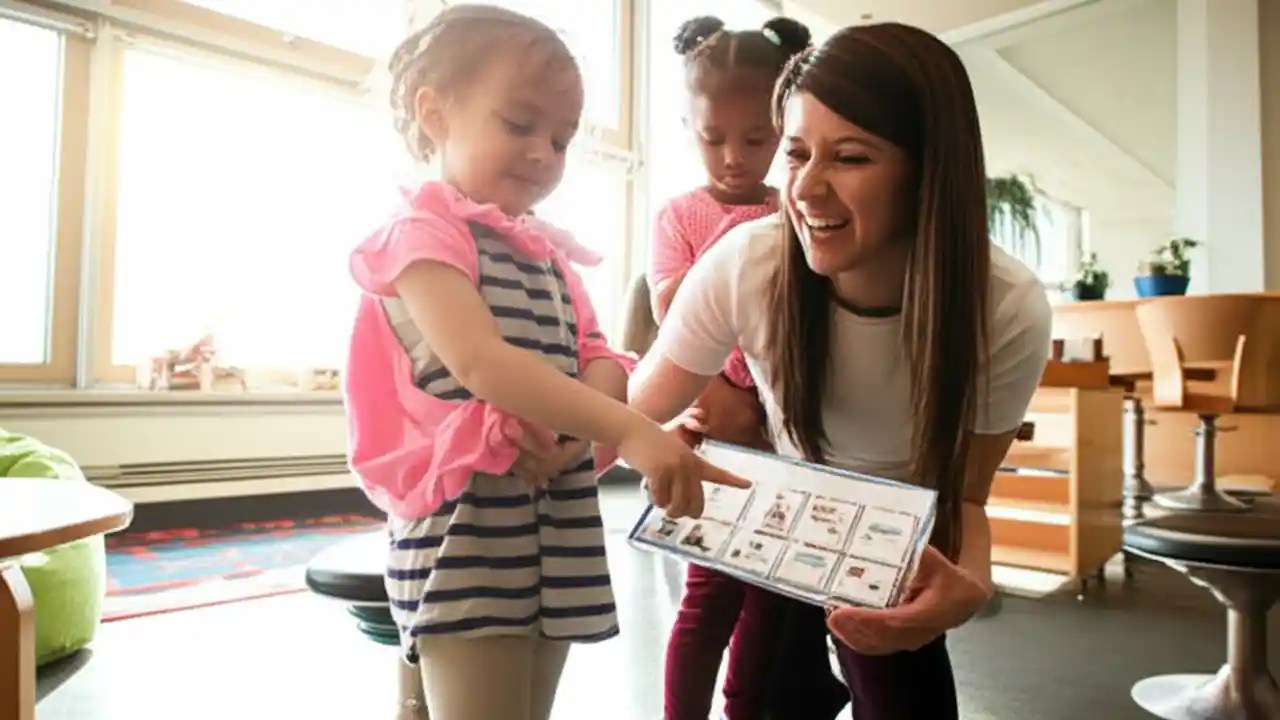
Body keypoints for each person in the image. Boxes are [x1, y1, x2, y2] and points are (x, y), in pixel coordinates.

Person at [629, 22, 1053, 720]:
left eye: (851, 157)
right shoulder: (749, 261)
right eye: (796, 154)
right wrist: (653, 435)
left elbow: (966, 496)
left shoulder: (1003, 307)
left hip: (899, 536)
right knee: (760, 697)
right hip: (783, 504)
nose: (808, 190)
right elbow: (633, 413)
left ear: (927, 169)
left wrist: (970, 582)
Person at [340, 6, 746, 720]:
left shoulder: (546, 253)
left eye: (560, 139)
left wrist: (577, 436)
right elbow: (480, 361)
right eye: (519, 125)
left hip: (552, 524)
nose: (542, 154)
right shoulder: (421, 233)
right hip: (466, 531)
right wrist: (632, 431)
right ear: (434, 113)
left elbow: (599, 353)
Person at [646, 15, 811, 720]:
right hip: (713, 434)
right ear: (689, 126)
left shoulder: (795, 211)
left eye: (758, 140)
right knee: (708, 596)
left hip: (787, 435)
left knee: (770, 595)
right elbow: (670, 312)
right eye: (714, 139)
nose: (735, 157)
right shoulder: (680, 216)